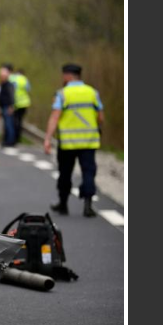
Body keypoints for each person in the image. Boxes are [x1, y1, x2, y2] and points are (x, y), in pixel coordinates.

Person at [43, 63, 104, 217]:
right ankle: (88, 205)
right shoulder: (92, 92)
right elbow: (100, 117)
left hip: (68, 143)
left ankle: (63, 204)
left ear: (67, 76)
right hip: (89, 141)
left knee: (65, 173)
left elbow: (55, 117)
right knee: (88, 172)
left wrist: (48, 139)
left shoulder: (63, 94)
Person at [9, 67, 32, 144]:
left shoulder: (13, 78)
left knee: (14, 121)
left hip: (15, 103)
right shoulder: (25, 79)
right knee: (20, 121)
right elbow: (28, 89)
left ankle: (13, 137)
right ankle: (18, 138)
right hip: (24, 103)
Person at [0, 64, 16, 147]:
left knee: (9, 124)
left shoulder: (9, 84)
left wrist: (11, 106)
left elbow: (11, 96)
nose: (1, 77)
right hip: (3, 106)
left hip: (7, 107)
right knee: (6, 124)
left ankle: (10, 141)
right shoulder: (2, 84)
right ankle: (6, 140)